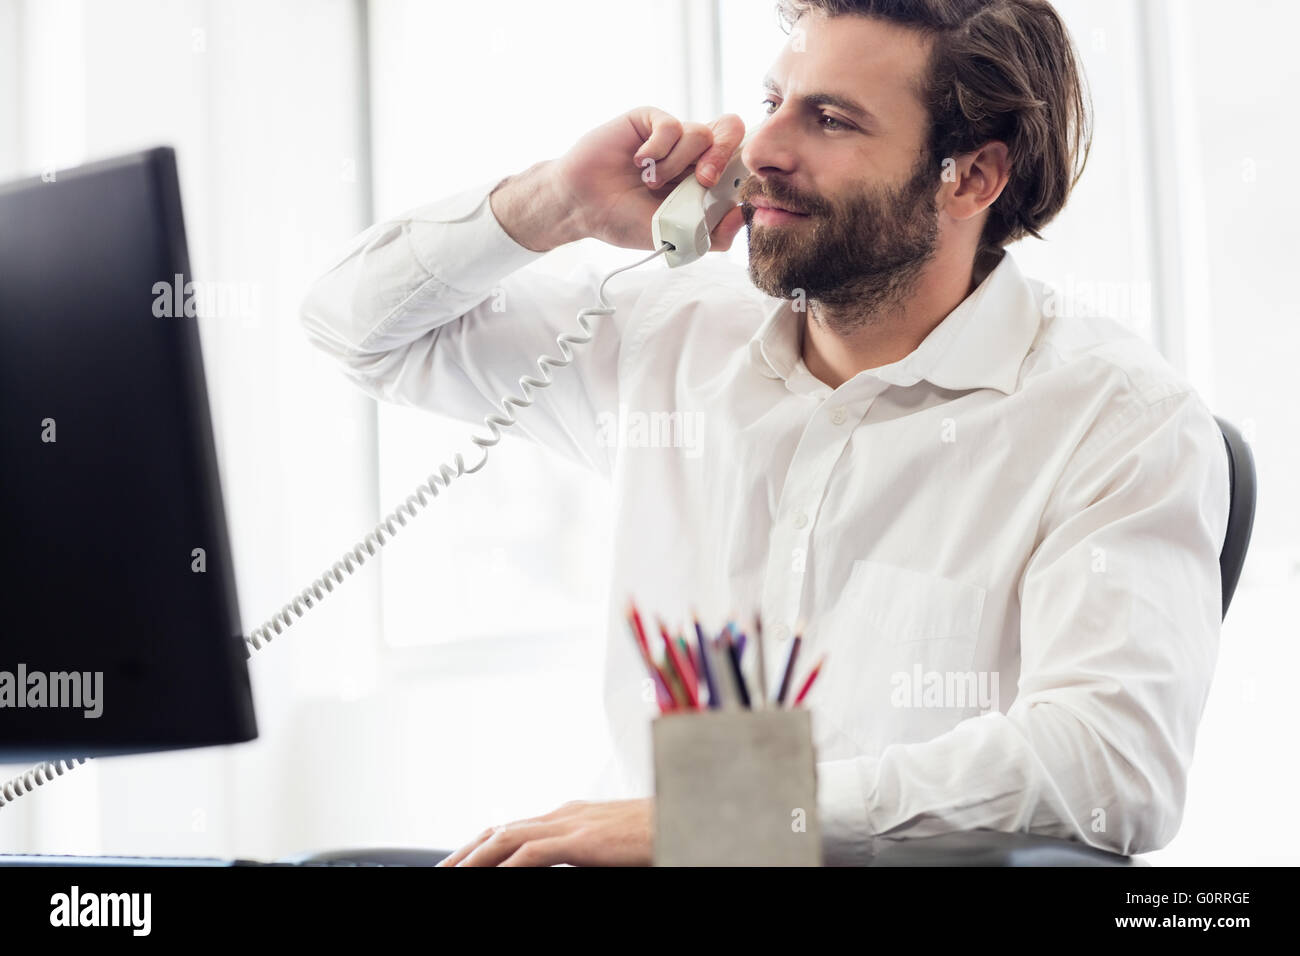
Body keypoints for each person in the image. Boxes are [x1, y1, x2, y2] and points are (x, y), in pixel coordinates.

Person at [300, 0, 1229, 866]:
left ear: (973, 177)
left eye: (831, 120)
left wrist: (722, 815)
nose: (761, 150)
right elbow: (353, 328)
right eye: (773, 101)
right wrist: (559, 203)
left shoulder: (1116, 421)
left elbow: (1111, 767)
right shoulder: (669, 333)